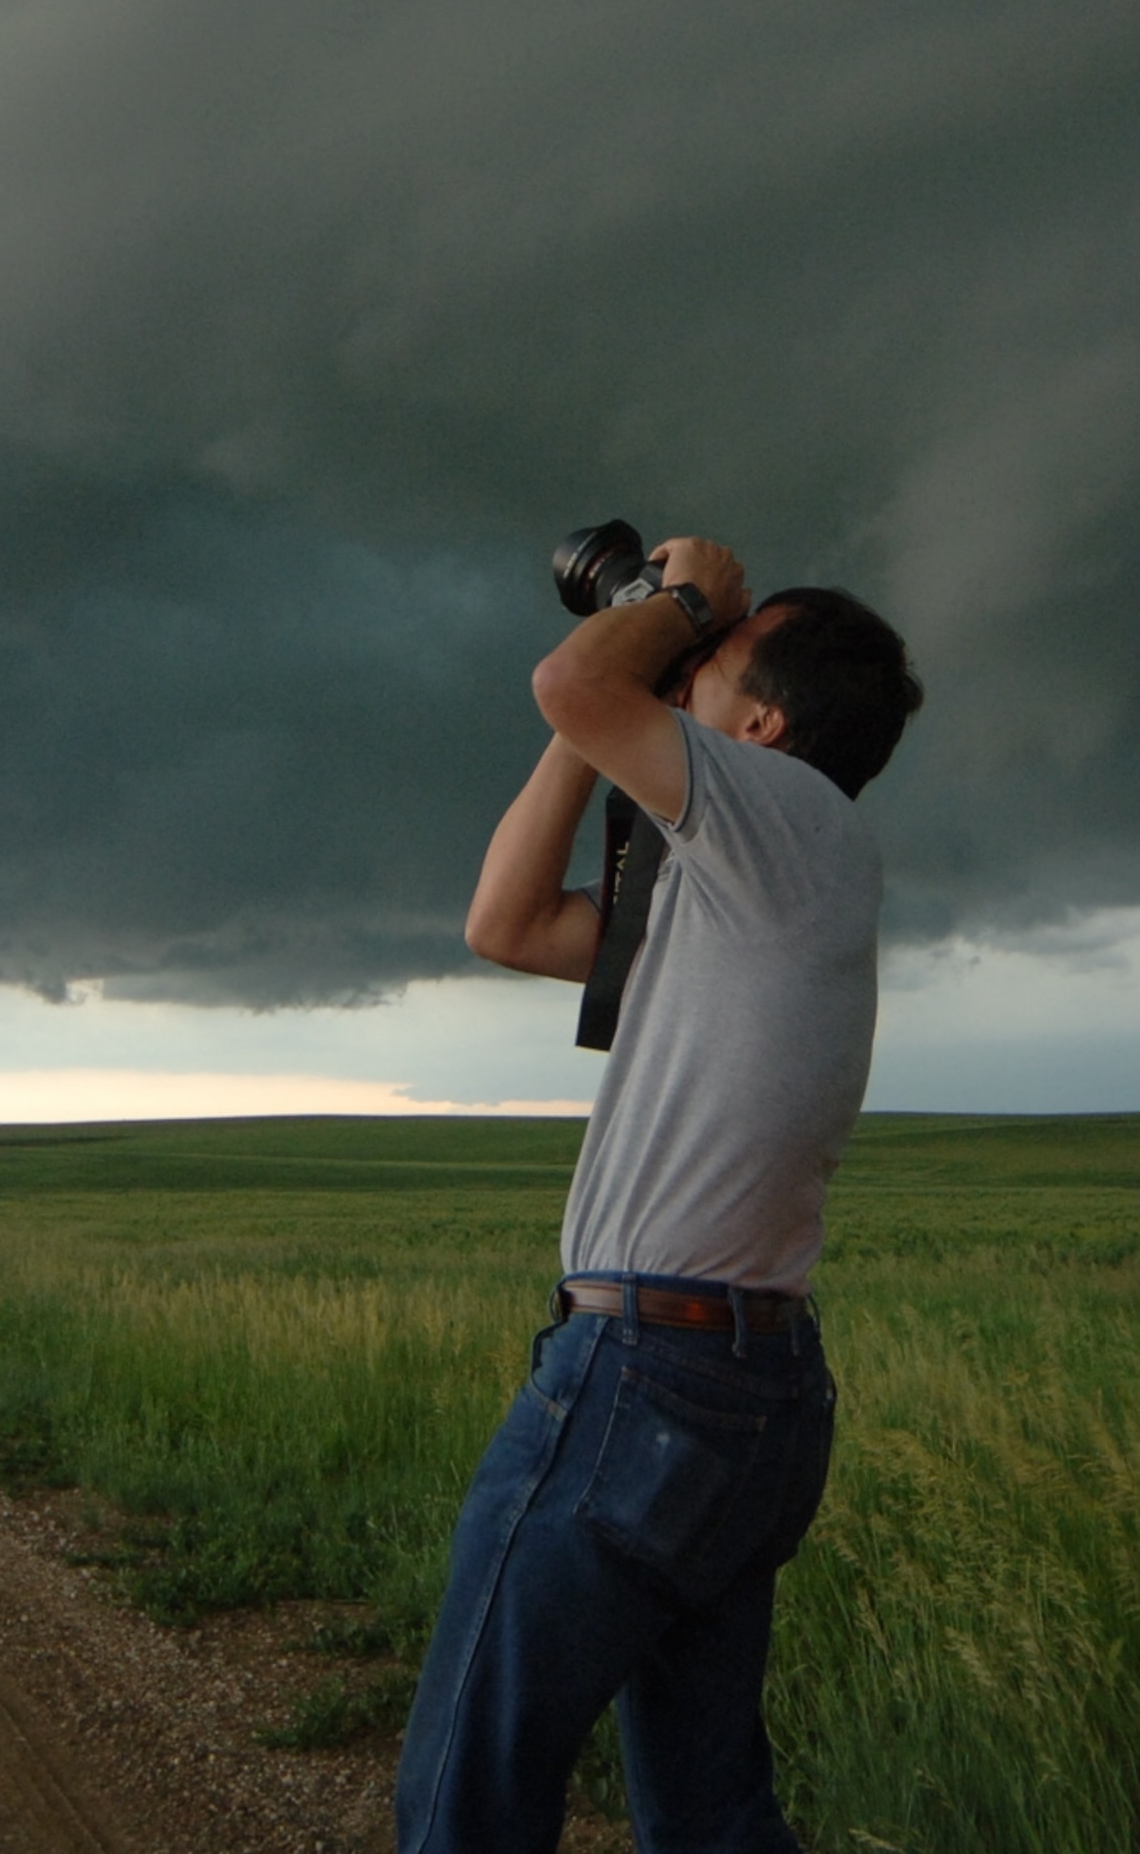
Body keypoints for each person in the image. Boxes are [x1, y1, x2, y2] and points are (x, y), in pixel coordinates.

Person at [394, 535, 924, 1854]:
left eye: (721, 657)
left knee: (469, 1790)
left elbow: (570, 685)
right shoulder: (739, 883)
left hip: (648, 1382)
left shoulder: (787, 820)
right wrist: (626, 687)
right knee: (707, 1815)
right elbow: (505, 924)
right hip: (740, 1395)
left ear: (764, 724)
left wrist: (676, 600)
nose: (691, 658)